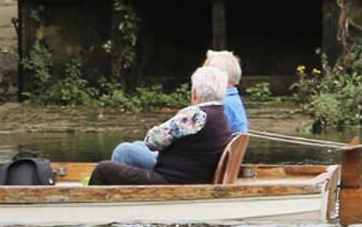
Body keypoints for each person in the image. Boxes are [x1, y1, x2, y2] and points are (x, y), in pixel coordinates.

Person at [90, 65, 234, 186]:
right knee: (135, 146)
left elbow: (153, 141)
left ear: (194, 93)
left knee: (104, 168)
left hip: (172, 179)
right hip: (190, 171)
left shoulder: (196, 115)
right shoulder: (220, 113)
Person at [107, 50, 248, 171]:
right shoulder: (228, 102)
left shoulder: (215, 107)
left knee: (124, 151)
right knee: (137, 146)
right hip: (198, 162)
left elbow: (155, 140)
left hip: (188, 166)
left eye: (204, 71)